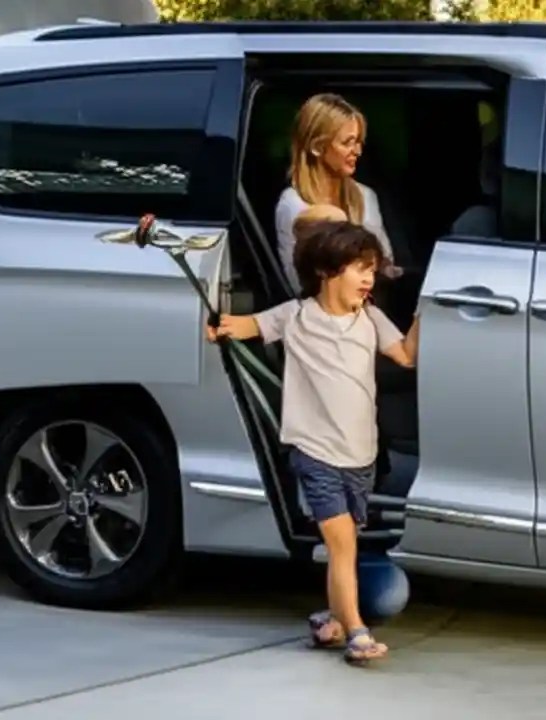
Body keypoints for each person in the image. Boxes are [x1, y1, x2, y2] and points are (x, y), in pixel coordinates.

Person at [208, 219, 421, 664]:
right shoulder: (296, 316)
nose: (368, 278)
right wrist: (219, 326)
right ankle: (356, 632)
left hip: (360, 455)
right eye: (359, 268)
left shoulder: (371, 318)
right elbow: (246, 325)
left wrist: (425, 312)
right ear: (325, 271)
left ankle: (333, 619)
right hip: (314, 451)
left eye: (371, 270)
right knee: (342, 544)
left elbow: (405, 355)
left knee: (346, 545)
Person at [274, 93, 398, 295]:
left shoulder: (366, 196)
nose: (357, 151)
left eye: (359, 142)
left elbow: (385, 263)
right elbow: (298, 282)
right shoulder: (294, 204)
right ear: (317, 147)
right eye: (347, 143)